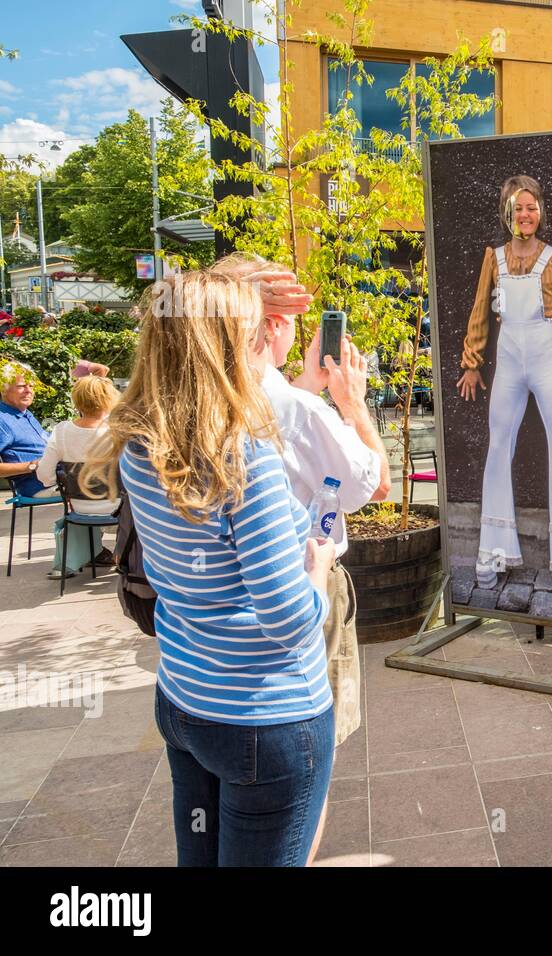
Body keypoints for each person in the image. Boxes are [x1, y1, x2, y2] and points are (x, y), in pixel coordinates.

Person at [87, 270, 335, 867]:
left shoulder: (139, 447)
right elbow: (289, 619)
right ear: (227, 347)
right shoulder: (246, 455)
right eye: (254, 333)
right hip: (265, 719)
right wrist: (319, 570)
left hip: (184, 700)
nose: (264, 346)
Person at [211, 252, 391, 751]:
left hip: (212, 642)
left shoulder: (205, 400)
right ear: (268, 326)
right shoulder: (301, 410)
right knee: (313, 757)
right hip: (301, 588)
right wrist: (350, 402)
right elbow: (375, 486)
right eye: (290, 319)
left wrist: (309, 384)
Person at [457, 174, 552, 596]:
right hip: (508, 360)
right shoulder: (493, 258)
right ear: (507, 213)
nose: (525, 215)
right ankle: (493, 547)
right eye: (518, 207)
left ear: (541, 212)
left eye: (531, 207)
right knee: (499, 445)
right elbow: (480, 310)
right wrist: (472, 361)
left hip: (546, 354)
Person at [36, 374, 120, 578]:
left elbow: (44, 474)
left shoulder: (62, 431)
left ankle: (79, 557)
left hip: (79, 507)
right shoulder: (118, 431)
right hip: (118, 507)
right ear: (109, 399)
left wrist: (56, 484)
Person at [0, 361, 50, 498]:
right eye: (21, 386)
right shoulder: (2, 419)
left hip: (56, 477)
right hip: (38, 485)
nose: (28, 391)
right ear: (4, 389)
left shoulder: (26, 414)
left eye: (31, 386)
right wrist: (32, 466)